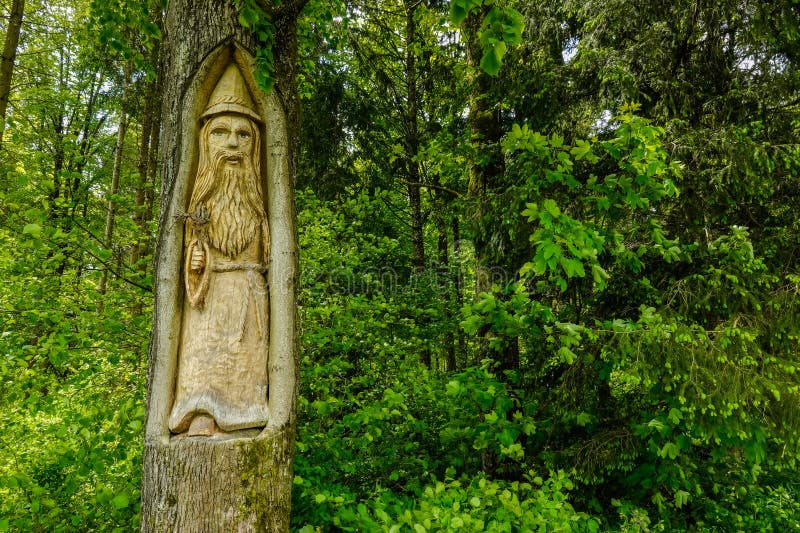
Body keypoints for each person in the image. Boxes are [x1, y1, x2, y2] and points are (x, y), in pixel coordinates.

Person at [169, 64, 270, 437]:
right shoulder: (202, 198)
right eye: (221, 133)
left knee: (244, 361)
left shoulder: (257, 202)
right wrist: (196, 259)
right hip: (209, 301)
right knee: (202, 356)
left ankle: (245, 415)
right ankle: (199, 412)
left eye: (243, 135)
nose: (232, 144)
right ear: (206, 140)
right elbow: (193, 245)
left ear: (255, 144)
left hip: (247, 294)